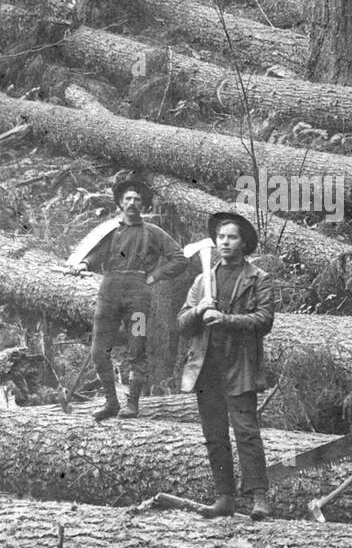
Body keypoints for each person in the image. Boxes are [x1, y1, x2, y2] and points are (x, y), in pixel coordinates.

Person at [178, 211, 275, 519]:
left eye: (231, 237)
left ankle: (259, 497)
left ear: (243, 242)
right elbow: (182, 323)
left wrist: (226, 319)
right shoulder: (201, 280)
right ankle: (224, 497)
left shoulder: (259, 278)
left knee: (246, 431)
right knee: (214, 434)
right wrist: (198, 312)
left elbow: (265, 320)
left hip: (240, 364)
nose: (225, 242)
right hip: (206, 366)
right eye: (221, 237)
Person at [71, 177, 188, 420]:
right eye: (128, 199)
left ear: (143, 205)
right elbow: (95, 255)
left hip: (138, 296)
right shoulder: (110, 231)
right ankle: (111, 402)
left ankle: (132, 403)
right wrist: (84, 264)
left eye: (137, 199)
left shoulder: (154, 233)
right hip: (109, 293)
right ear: (120, 204)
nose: (132, 203)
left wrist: (155, 276)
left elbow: (179, 258)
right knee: (98, 351)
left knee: (137, 347)